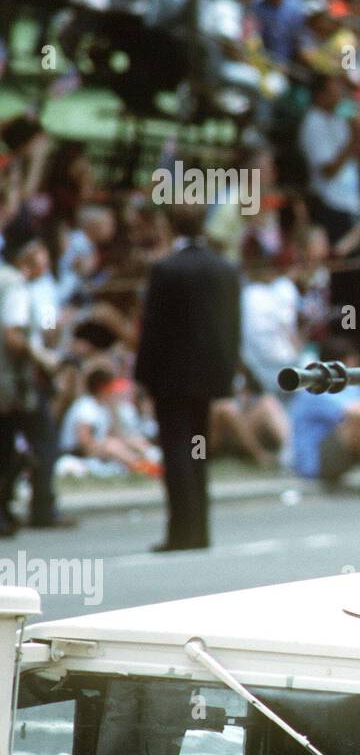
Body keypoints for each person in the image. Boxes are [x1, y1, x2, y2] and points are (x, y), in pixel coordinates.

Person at [135, 203, 241, 552]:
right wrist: (226, 372)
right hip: (209, 374)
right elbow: (233, 327)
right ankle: (201, 528)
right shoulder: (223, 268)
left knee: (177, 450)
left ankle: (182, 530)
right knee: (198, 451)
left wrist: (143, 375)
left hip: (172, 376)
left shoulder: (166, 269)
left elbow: (153, 329)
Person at [0, 220, 74, 536]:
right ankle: (42, 505)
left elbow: (47, 322)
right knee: (42, 442)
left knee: (6, 446)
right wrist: (43, 356)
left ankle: (7, 509)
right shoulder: (17, 284)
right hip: (18, 383)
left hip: (13, 380)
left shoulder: (39, 285)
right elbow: (15, 333)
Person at [287, 337, 360, 495]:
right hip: (314, 462)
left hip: (339, 454)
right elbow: (359, 414)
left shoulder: (351, 388)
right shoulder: (315, 389)